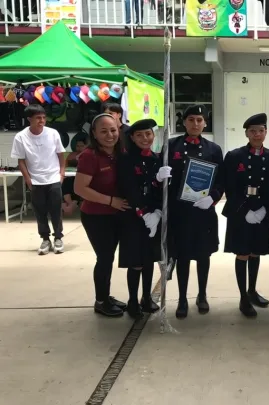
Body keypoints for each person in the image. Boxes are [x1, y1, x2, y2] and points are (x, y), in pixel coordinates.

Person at [159, 104, 224, 319]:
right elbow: (159, 181)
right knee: (183, 257)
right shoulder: (171, 145)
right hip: (180, 213)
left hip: (203, 212)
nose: (195, 124)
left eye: (199, 120)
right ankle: (182, 299)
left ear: (205, 123)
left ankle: (202, 295)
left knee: (203, 256)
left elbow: (221, 181)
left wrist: (213, 198)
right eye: (191, 120)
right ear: (184, 122)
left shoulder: (214, 149)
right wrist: (159, 176)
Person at [74, 113, 131, 317]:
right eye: (104, 131)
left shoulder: (121, 152)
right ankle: (101, 301)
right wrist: (110, 201)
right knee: (105, 257)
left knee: (110, 257)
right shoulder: (90, 156)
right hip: (97, 216)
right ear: (94, 134)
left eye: (113, 130)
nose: (110, 135)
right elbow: (80, 188)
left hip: (118, 214)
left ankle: (106, 296)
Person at [222, 113, 269, 317]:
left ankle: (252, 290)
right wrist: (244, 210)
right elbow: (229, 187)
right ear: (246, 133)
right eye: (253, 131)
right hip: (240, 213)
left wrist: (264, 209)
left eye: (261, 130)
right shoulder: (235, 156)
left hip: (261, 213)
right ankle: (243, 297)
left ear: (266, 132)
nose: (257, 134)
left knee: (255, 252)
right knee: (242, 253)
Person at [117, 119, 162, 319]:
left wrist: (158, 212)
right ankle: (133, 300)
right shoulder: (126, 159)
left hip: (154, 217)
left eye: (148, 134)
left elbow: (159, 190)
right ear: (132, 138)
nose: (145, 138)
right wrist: (143, 213)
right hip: (134, 217)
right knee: (136, 261)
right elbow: (129, 189)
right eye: (140, 135)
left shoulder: (157, 158)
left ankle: (146, 297)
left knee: (149, 259)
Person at [10, 105, 66, 255]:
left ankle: (58, 238)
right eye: (38, 118)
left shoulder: (53, 133)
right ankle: (45, 239)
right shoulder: (21, 137)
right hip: (35, 180)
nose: (42, 121)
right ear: (29, 119)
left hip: (53, 178)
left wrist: (61, 174)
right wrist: (28, 179)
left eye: (43, 117)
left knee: (56, 210)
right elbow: (20, 161)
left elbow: (61, 155)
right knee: (39, 211)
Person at [62, 132, 88, 215]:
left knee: (76, 183)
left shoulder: (88, 155)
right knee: (65, 182)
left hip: (81, 177)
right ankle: (71, 204)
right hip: (70, 175)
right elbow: (65, 166)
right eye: (77, 146)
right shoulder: (71, 155)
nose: (79, 148)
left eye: (81, 146)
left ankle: (71, 204)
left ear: (86, 146)